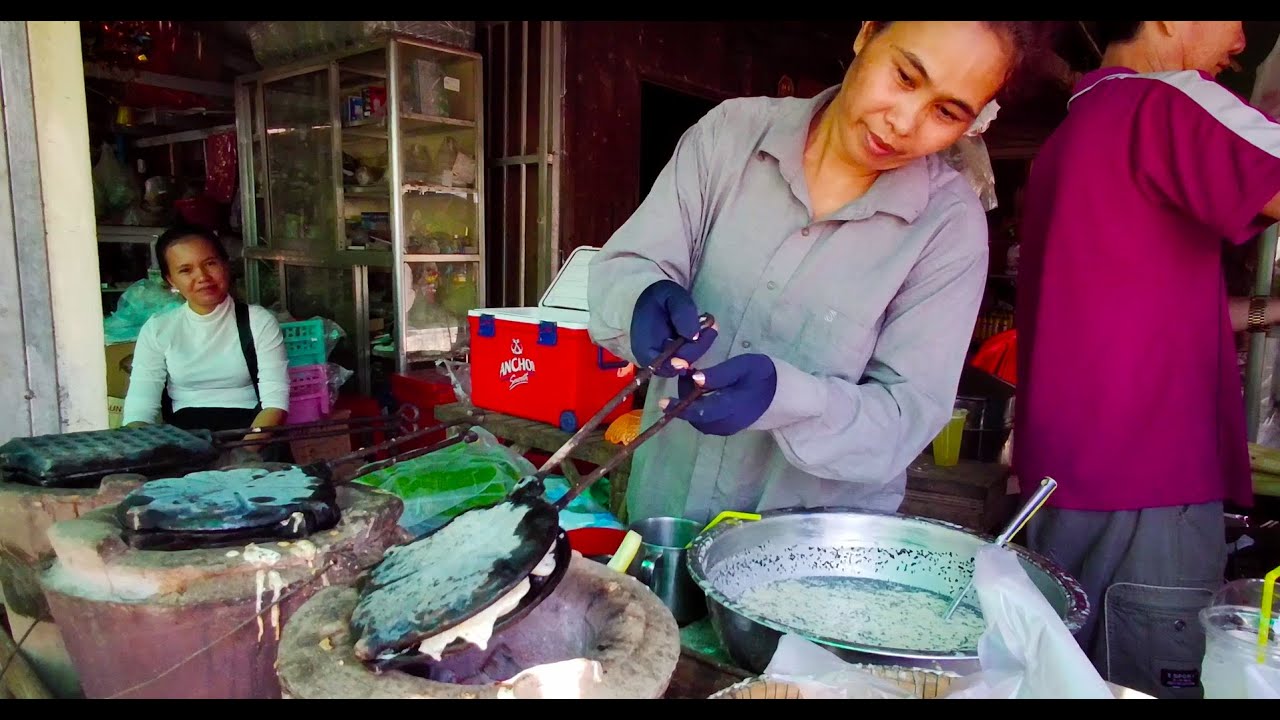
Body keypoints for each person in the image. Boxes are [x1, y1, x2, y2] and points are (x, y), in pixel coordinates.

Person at [587, 21, 1044, 525]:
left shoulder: (948, 227)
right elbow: (628, 266)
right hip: (663, 515)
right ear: (866, 34)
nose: (904, 122)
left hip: (809, 559)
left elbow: (905, 416)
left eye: (946, 111)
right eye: (906, 77)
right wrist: (641, 298)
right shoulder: (729, 136)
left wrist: (790, 399)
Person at [1013, 20, 1280, 699]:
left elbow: (1136, 309)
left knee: (1062, 679)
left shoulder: (1073, 136)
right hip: (1150, 484)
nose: (1243, 40)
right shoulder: (1166, 100)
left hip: (1062, 485)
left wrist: (1265, 313)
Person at [122, 224, 291, 454]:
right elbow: (140, 409)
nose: (202, 277)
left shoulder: (258, 322)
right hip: (185, 439)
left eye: (210, 263)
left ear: (225, 265)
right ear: (171, 280)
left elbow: (275, 404)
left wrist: (243, 454)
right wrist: (140, 453)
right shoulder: (159, 329)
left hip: (253, 433)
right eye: (185, 270)